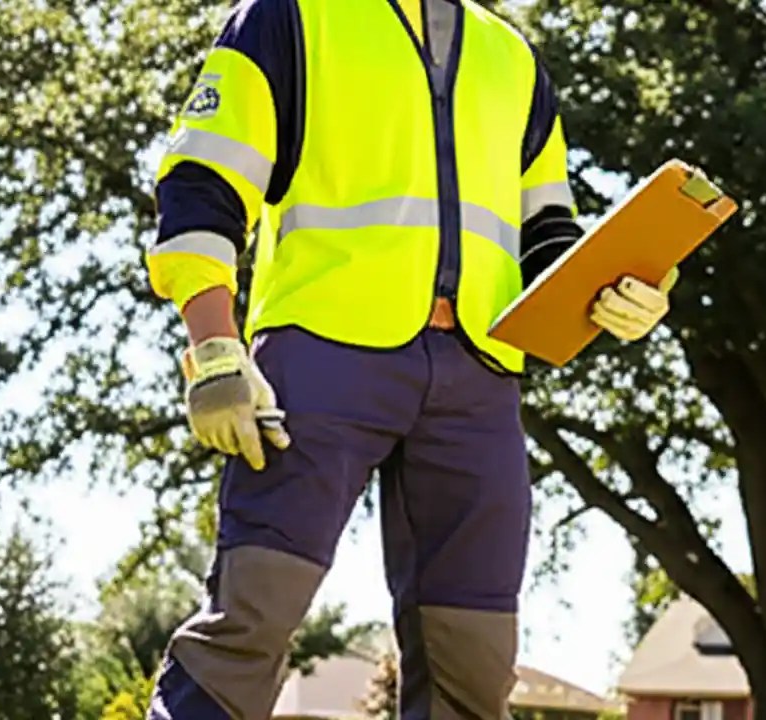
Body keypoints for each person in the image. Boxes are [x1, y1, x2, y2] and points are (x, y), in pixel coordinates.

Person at [143, 0, 678, 718]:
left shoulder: (514, 58)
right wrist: (214, 346)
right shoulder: (289, 17)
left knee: (474, 663)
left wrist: (619, 285)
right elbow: (201, 180)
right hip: (320, 352)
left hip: (478, 383)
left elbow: (547, 230)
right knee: (250, 620)